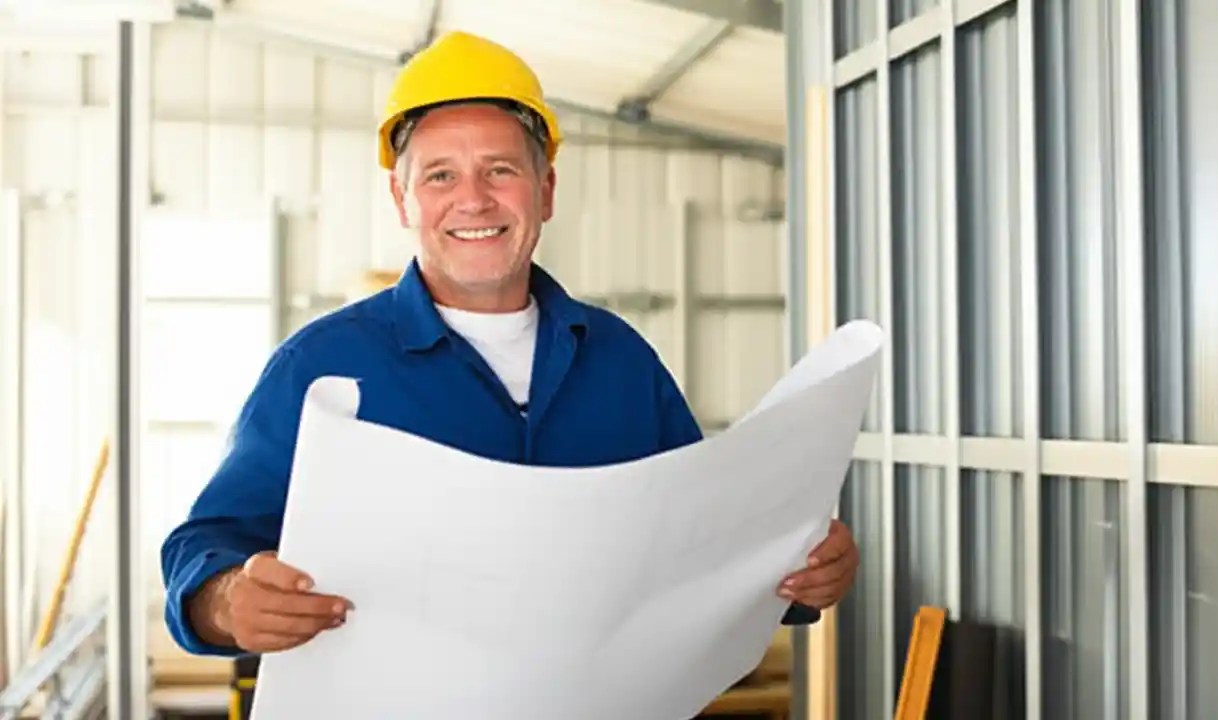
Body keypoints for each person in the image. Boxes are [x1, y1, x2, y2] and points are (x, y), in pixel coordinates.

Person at [160, 30, 860, 657]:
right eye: (440, 176)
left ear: (545, 190)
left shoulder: (620, 362)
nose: (474, 199)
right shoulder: (317, 369)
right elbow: (205, 545)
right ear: (403, 201)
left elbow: (703, 544)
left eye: (501, 169)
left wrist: (803, 573)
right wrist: (225, 602)